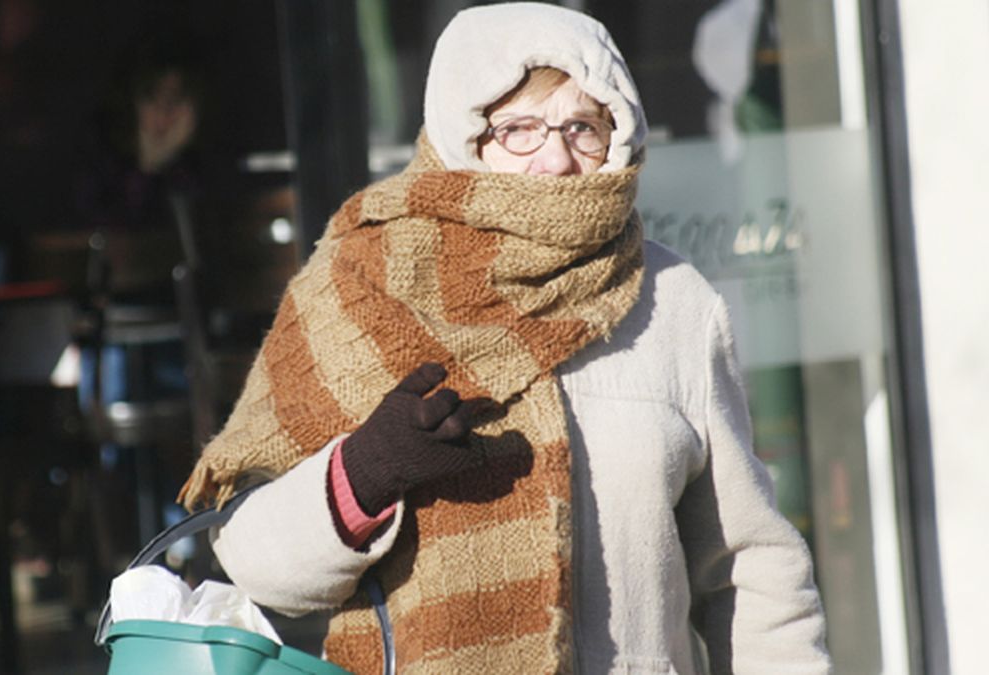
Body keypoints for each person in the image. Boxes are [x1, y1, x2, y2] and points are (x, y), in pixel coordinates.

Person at [178, 3, 831, 674]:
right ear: (465, 138)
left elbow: (747, 570)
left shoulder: (673, 301)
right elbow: (252, 562)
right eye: (520, 128)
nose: (556, 158)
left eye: (583, 125)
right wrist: (364, 473)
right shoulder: (359, 289)